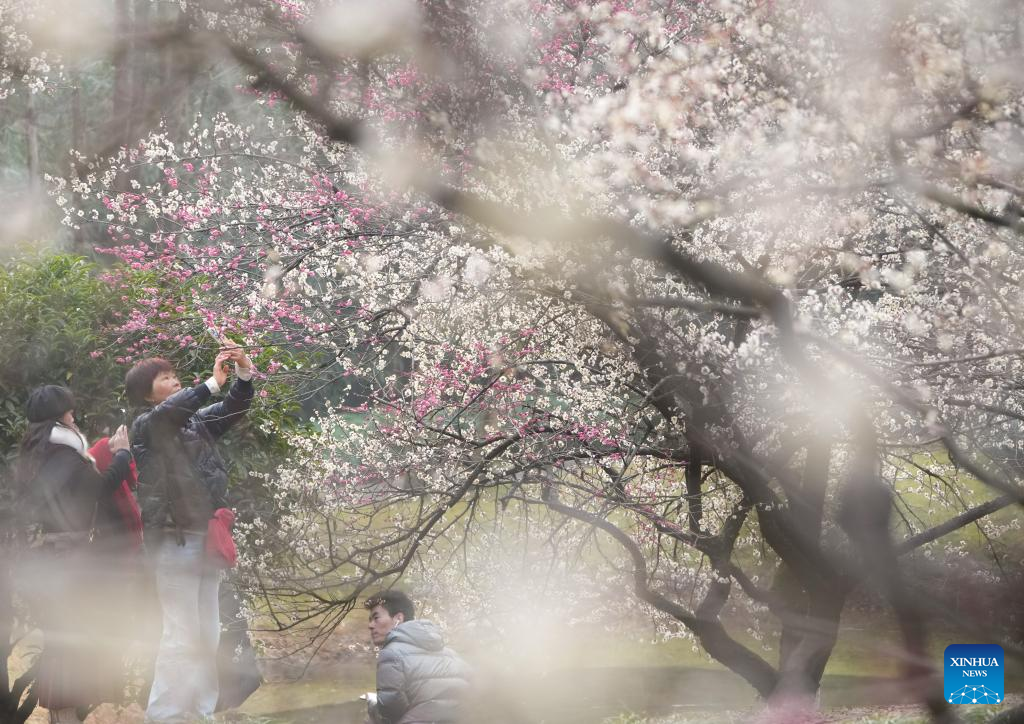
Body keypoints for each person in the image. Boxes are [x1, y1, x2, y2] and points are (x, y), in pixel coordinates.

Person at [126, 344, 254, 722]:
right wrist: (211, 384)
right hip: (173, 541)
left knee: (208, 634)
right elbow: (171, 412)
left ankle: (200, 713)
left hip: (202, 539)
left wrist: (243, 375)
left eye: (173, 375)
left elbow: (233, 409)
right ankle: (164, 715)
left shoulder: (194, 423)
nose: (174, 380)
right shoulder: (146, 426)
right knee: (181, 634)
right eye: (164, 378)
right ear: (148, 395)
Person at [14, 385, 132, 724]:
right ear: (59, 418)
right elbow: (98, 489)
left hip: (51, 559)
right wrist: (122, 454)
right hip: (70, 560)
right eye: (69, 412)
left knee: (63, 644)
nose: (74, 416)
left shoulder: (38, 453)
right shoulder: (64, 454)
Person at [364, 590, 471, 724]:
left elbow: (390, 709)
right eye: (370, 620)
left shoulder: (391, 653)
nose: (370, 625)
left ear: (398, 618)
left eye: (376, 618)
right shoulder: (451, 654)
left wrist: (373, 706)